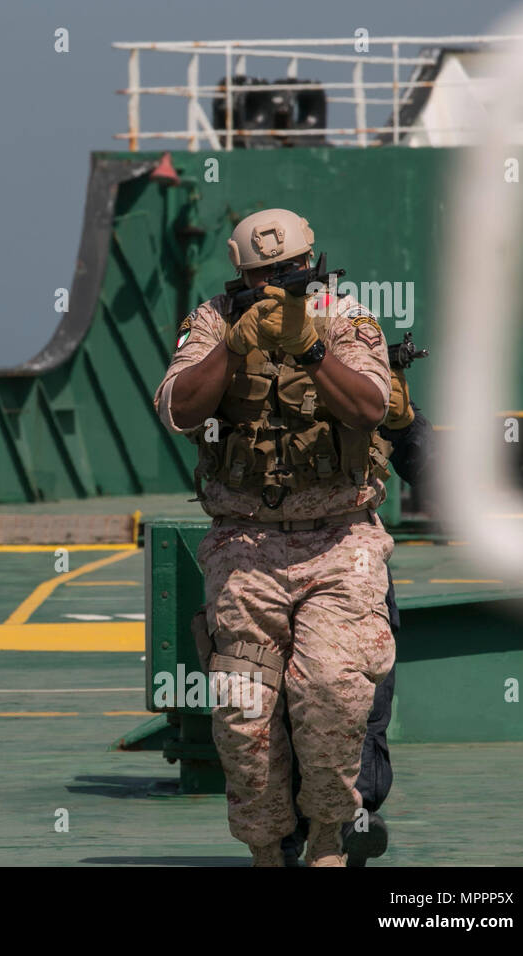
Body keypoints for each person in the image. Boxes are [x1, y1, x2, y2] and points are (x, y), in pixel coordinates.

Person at [153, 208, 396, 867]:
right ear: (241, 275)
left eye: (290, 271)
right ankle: (266, 849)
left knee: (333, 692)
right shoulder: (212, 322)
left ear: (311, 264)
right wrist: (235, 346)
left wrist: (310, 349)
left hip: (339, 541)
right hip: (245, 545)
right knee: (242, 709)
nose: (277, 283)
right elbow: (177, 409)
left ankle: (328, 841)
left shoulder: (344, 317)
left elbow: (371, 407)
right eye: (264, 275)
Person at [281, 362, 437, 865]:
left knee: (358, 702)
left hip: (352, 564)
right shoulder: (245, 369)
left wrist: (404, 421)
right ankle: (286, 835)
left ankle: (353, 824)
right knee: (269, 711)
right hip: (265, 564)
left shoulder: (359, 373)